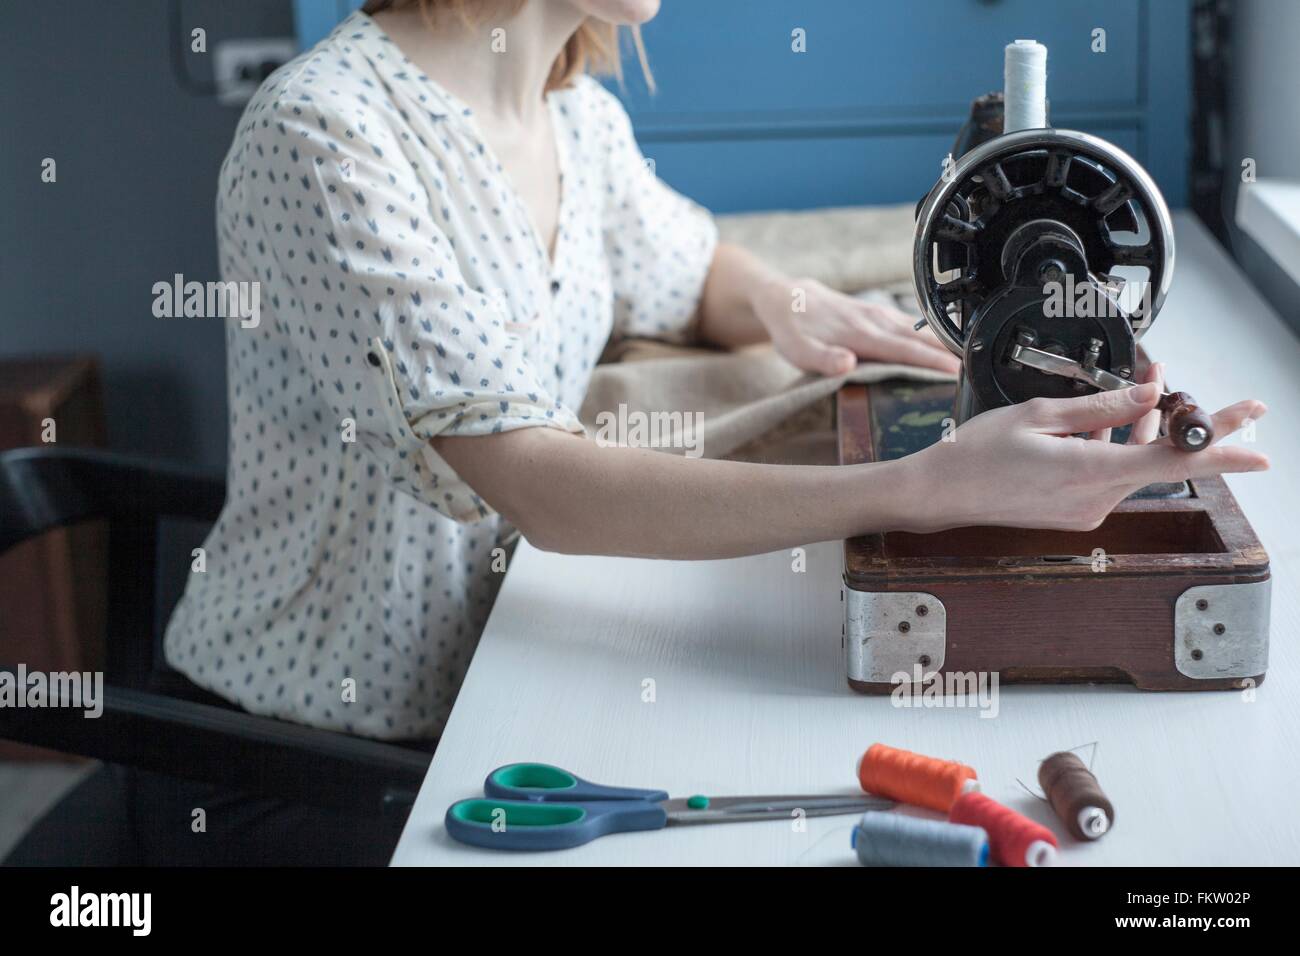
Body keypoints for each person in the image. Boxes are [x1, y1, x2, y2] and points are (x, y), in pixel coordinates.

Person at [10, 0, 1266, 866]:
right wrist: (919, 486)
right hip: (299, 758)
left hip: (499, 664)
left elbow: (686, 265)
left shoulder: (573, 117)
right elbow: (539, 487)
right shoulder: (324, 135)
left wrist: (799, 304)